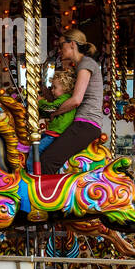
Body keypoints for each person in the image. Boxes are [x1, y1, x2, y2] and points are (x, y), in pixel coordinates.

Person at [38, 28, 105, 175]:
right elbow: (67, 97)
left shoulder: (86, 64)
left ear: (72, 44)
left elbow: (75, 100)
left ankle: (49, 197)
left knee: (47, 160)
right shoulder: (80, 66)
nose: (60, 50)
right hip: (81, 123)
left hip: (86, 124)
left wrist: (55, 113)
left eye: (62, 45)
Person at [37, 66, 77, 161]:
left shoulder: (64, 99)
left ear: (65, 88)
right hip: (53, 132)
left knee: (36, 149)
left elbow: (50, 108)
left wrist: (39, 101)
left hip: (56, 133)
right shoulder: (61, 99)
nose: (52, 90)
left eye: (55, 87)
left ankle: (30, 172)